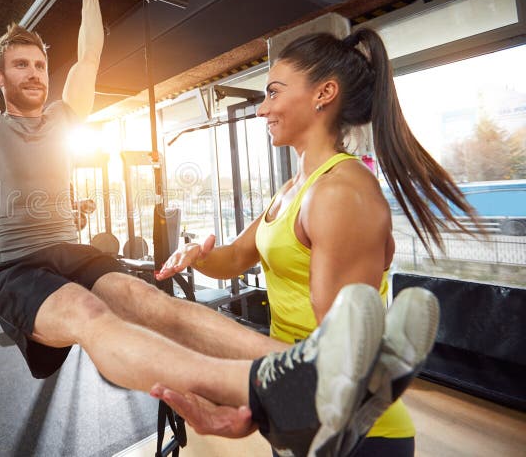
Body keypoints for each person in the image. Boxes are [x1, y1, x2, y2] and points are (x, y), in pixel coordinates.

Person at [0, 0, 435, 454]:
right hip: (16, 265)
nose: (35, 73)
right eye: (20, 65)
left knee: (152, 303)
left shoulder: (64, 117)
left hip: (72, 249)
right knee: (91, 317)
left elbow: (88, 57)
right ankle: (267, 383)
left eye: (41, 63)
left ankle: (323, 371)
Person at [153, 28, 480, 455]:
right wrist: (197, 255)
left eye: (273, 93)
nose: (261, 110)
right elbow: (236, 256)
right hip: (300, 406)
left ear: (324, 93)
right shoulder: (294, 187)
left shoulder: (340, 192)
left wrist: (240, 382)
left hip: (353, 429)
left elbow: (342, 345)